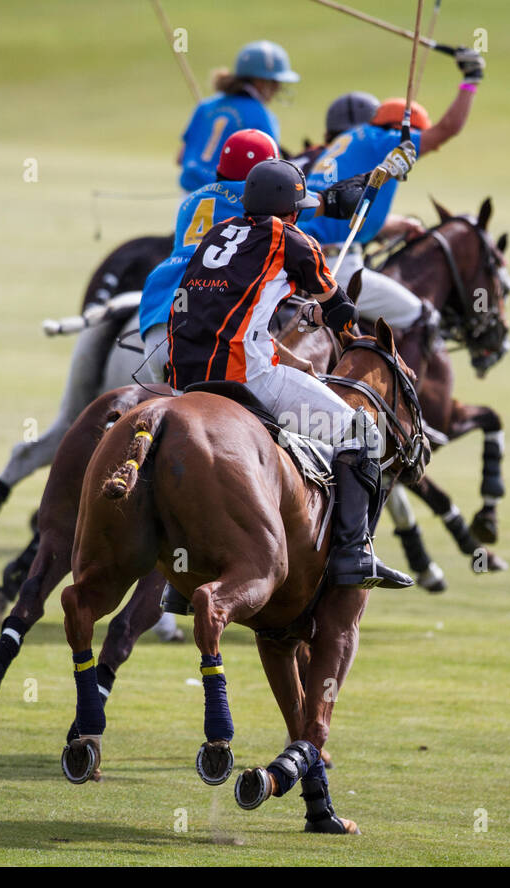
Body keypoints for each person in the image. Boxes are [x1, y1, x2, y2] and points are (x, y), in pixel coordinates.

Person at [165, 158, 416, 590]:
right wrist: (333, 317)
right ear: (291, 210)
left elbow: (242, 299)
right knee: (363, 434)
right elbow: (342, 309)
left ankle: (177, 583)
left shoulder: (217, 235)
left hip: (182, 379)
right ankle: (354, 553)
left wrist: (308, 312)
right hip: (244, 378)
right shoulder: (291, 239)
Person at [140, 129, 378, 382]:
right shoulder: (251, 203)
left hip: (156, 320)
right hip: (204, 321)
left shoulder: (194, 199)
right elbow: (306, 204)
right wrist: (340, 197)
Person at [300, 46, 486, 335]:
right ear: (402, 130)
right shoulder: (388, 142)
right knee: (422, 318)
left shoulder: (353, 139)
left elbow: (339, 210)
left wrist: (394, 225)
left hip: (301, 253)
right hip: (334, 266)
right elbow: (449, 128)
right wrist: (470, 79)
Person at [178, 40, 299, 193]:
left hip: (189, 200)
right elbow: (268, 171)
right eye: (275, 82)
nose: (278, 88)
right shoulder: (262, 116)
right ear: (260, 82)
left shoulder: (205, 107)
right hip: (229, 201)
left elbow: (180, 157)